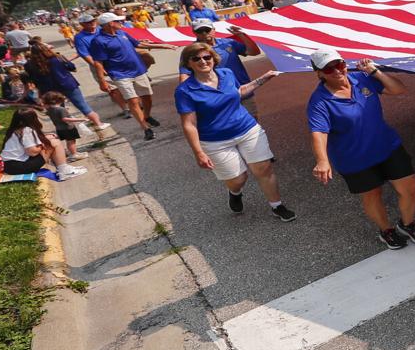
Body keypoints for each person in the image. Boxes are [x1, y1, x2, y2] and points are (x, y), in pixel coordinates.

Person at [304, 50, 415, 250]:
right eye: (329, 68)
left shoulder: (362, 78)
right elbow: (318, 132)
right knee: (372, 194)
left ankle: (407, 224)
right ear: (319, 73)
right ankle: (386, 230)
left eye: (340, 64)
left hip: (387, 146)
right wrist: (322, 160)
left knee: (409, 188)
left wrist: (375, 71)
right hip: (355, 158)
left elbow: (398, 89)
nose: (337, 71)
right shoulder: (319, 102)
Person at [176, 43, 295, 220]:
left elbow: (238, 92)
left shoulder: (226, 74)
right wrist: (198, 152)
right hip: (216, 141)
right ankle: (235, 192)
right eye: (196, 59)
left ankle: (276, 206)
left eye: (207, 57)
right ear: (189, 63)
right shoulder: (185, 91)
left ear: (213, 59)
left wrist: (264, 78)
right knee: (238, 178)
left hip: (247, 129)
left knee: (264, 169)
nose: (203, 61)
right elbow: (189, 124)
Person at [87, 13, 170, 139]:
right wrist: (102, 81)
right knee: (133, 100)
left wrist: (161, 45)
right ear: (110, 24)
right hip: (120, 75)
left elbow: (138, 44)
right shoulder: (98, 41)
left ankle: (147, 116)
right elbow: (98, 62)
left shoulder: (122, 33)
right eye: (118, 21)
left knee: (147, 97)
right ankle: (145, 128)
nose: (121, 22)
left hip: (138, 70)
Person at [181, 20, 261, 114]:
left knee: (252, 122)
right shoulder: (190, 51)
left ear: (213, 30)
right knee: (227, 125)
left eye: (207, 29)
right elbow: (184, 75)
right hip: (216, 96)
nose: (204, 33)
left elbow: (254, 52)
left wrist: (241, 35)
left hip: (242, 89)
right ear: (194, 33)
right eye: (200, 31)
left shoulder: (229, 43)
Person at [27, 42, 110, 130]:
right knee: (82, 105)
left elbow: (33, 79)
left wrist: (40, 92)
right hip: (67, 84)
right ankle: (98, 123)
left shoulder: (29, 65)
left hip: (48, 89)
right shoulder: (57, 58)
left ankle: (66, 129)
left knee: (57, 110)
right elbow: (71, 67)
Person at [0, 107, 84, 177]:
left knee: (50, 140)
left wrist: (45, 138)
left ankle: (63, 167)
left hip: (10, 166)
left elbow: (28, 144)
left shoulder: (15, 130)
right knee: (54, 143)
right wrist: (43, 144)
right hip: (20, 167)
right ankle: (64, 171)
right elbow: (32, 152)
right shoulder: (26, 130)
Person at [40, 91, 91, 161]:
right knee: (71, 141)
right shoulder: (61, 109)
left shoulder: (50, 110)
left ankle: (72, 152)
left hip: (59, 128)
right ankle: (74, 154)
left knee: (68, 141)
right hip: (68, 128)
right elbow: (65, 119)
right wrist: (80, 119)